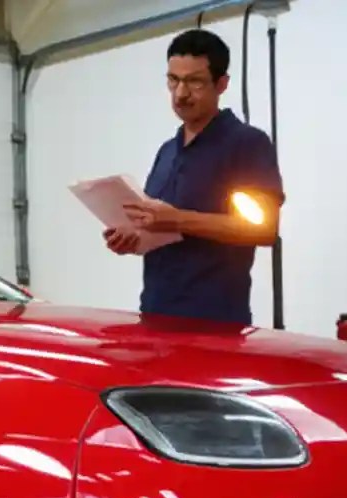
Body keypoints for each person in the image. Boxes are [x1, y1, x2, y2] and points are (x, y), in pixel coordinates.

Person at [105, 28, 284, 325]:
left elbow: (262, 229)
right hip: (154, 316)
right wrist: (134, 237)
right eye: (173, 80)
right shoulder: (167, 151)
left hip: (214, 325)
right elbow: (166, 231)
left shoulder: (246, 144)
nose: (181, 94)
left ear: (222, 84)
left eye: (195, 82)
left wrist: (177, 219)